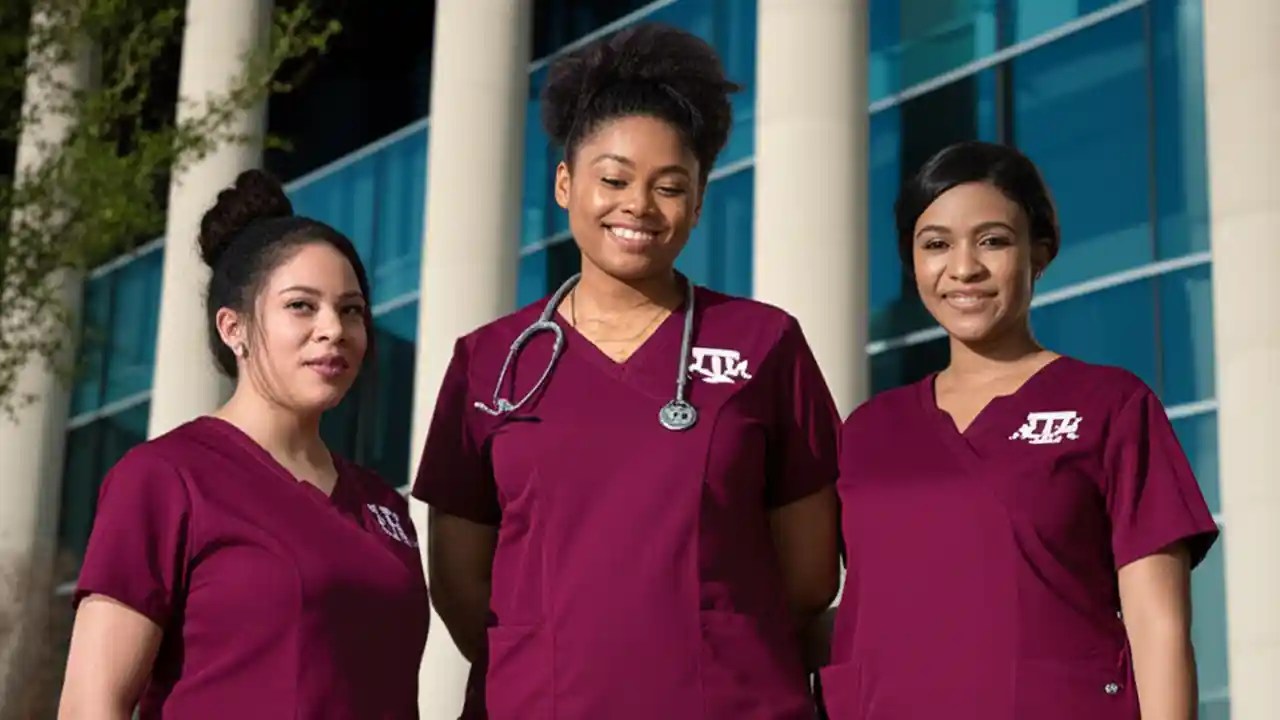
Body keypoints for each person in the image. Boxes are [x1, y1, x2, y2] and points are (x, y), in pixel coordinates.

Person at [414, 23, 841, 720]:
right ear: (564, 184)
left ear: (699, 203)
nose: (638, 206)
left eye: (670, 186)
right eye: (612, 179)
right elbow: (463, 590)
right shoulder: (487, 362)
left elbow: (808, 577)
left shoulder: (765, 345)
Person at [819, 141, 1219, 719]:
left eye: (993, 241)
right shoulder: (868, 431)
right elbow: (855, 608)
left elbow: (1158, 626)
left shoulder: (1109, 405)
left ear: (1040, 253)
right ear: (913, 264)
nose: (963, 268)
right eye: (936, 245)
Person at [57, 170, 429, 719]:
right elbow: (92, 704)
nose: (334, 328)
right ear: (234, 329)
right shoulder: (165, 478)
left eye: (351, 309)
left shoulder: (386, 507)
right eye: (302, 305)